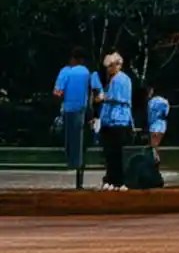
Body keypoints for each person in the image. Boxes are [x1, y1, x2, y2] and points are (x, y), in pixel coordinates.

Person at [52, 47, 102, 181]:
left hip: (69, 111)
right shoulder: (90, 73)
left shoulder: (65, 72)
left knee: (71, 144)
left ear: (73, 59)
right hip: (86, 112)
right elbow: (98, 93)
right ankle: (80, 176)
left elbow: (57, 93)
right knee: (84, 145)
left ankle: (73, 166)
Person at [95, 53, 134, 191]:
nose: (108, 69)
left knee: (114, 153)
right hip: (113, 120)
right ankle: (112, 180)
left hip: (116, 121)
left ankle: (116, 180)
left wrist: (103, 97)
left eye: (110, 66)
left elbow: (116, 97)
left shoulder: (119, 80)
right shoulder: (117, 79)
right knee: (112, 153)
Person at [146, 86, 170, 159]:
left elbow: (149, 115)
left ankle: (155, 160)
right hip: (162, 126)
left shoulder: (150, 102)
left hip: (153, 125)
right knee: (155, 145)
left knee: (153, 145)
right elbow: (166, 114)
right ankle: (156, 160)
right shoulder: (165, 102)